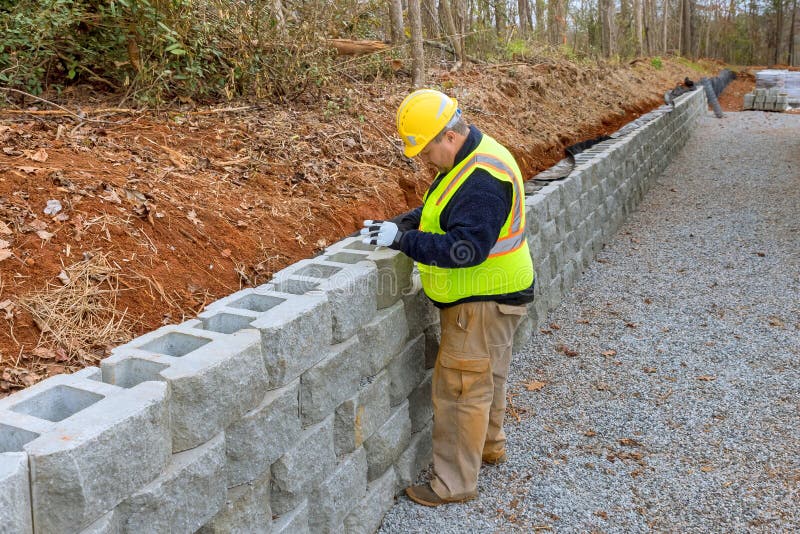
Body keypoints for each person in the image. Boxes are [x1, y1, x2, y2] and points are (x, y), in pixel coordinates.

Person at [361, 89, 535, 506]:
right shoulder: (473, 157)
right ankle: (489, 447)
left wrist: (403, 241)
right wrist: (399, 224)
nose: (424, 160)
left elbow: (464, 250)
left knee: (460, 392)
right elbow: (443, 209)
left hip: (479, 301)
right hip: (498, 296)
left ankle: (453, 483)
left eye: (425, 150)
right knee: (486, 379)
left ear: (449, 137)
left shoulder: (482, 181)